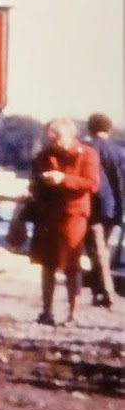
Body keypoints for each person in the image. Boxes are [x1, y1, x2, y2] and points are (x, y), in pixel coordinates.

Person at [28, 117, 100, 326]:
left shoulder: (87, 154)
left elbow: (92, 184)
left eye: (57, 138)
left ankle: (72, 313)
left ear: (70, 135)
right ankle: (46, 311)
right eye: (51, 139)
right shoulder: (44, 156)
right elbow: (34, 182)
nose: (54, 143)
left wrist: (64, 179)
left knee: (71, 263)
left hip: (73, 215)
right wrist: (41, 180)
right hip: (47, 215)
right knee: (47, 264)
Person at [85, 113, 125, 308]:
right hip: (113, 207)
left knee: (97, 250)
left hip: (91, 205)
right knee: (101, 248)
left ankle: (106, 292)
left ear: (90, 128)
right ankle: (98, 293)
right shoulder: (119, 152)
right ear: (109, 129)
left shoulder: (86, 148)